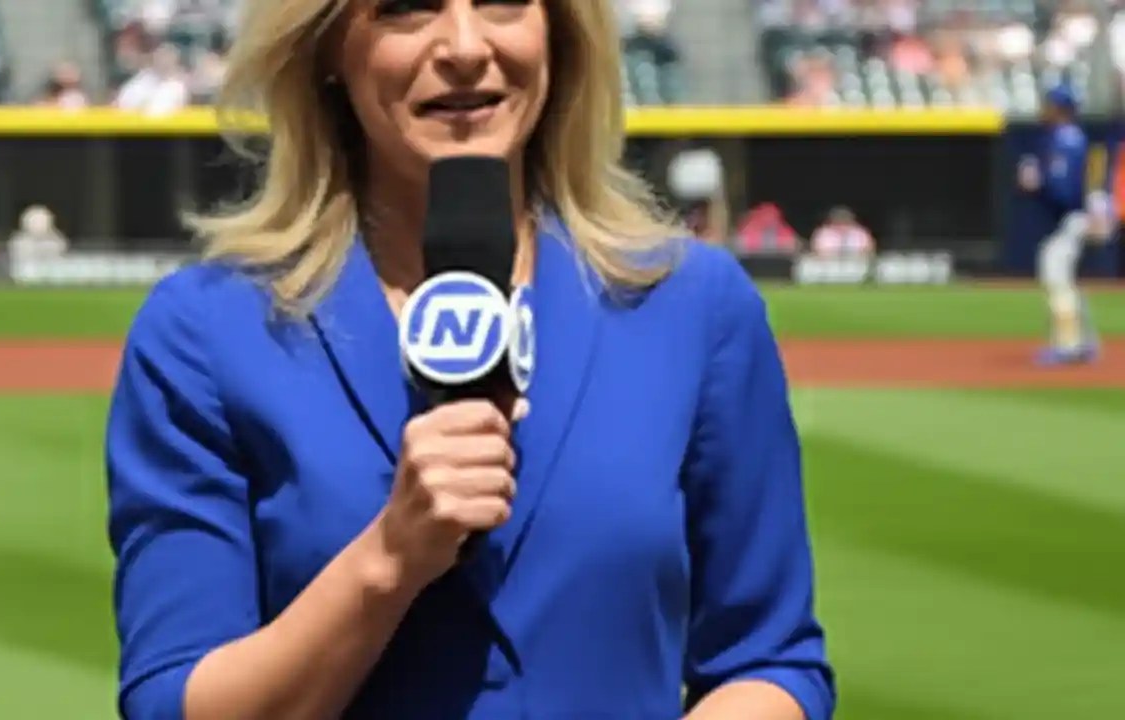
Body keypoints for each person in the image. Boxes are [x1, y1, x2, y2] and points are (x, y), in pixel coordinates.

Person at [105, 1, 835, 719]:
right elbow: (175, 702)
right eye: (407, 8)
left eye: (503, 2)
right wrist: (390, 558)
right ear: (328, 48)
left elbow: (769, 662)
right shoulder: (203, 335)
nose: (463, 44)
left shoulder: (694, 307)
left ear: (558, 31)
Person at [1018, 84, 1102, 365]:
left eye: (1050, 104)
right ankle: (1085, 339)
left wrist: (1037, 184)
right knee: (1064, 279)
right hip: (1072, 217)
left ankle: (1069, 344)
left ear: (1060, 108)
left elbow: (1062, 189)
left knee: (1056, 276)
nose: (1045, 109)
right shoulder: (1065, 137)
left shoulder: (1065, 140)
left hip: (1069, 219)